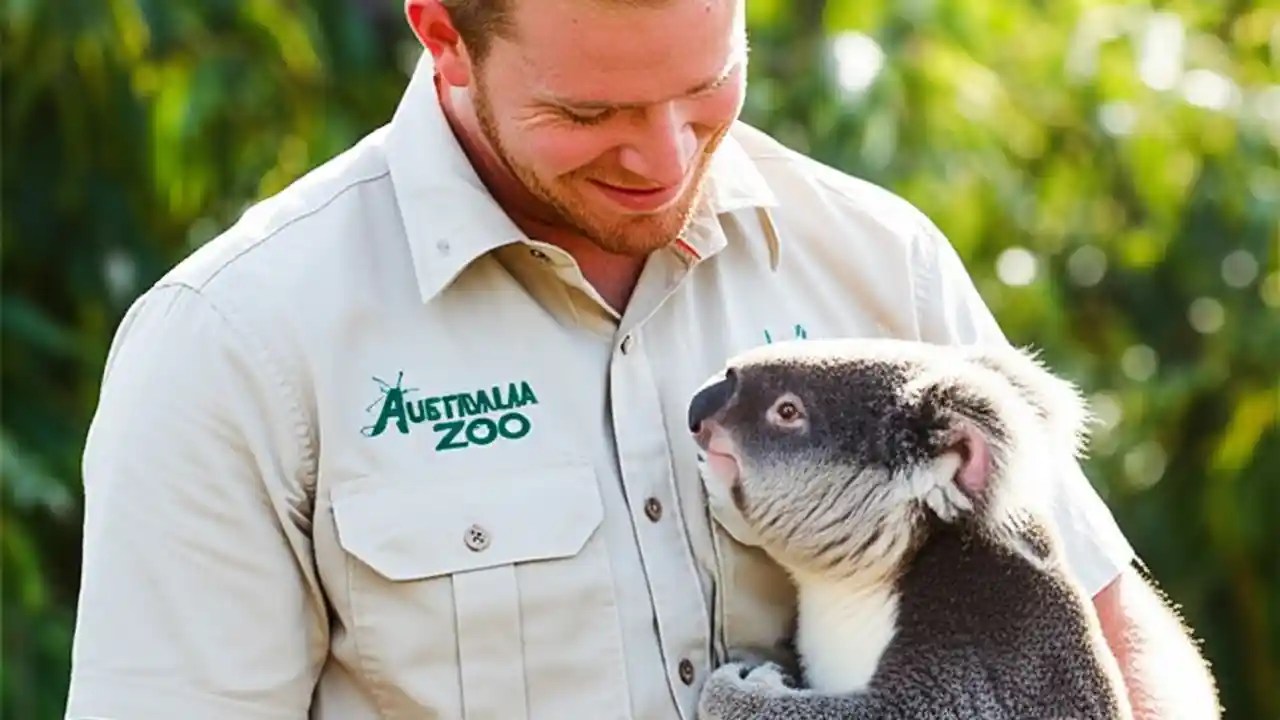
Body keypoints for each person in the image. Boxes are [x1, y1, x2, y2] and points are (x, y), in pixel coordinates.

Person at [65, 0, 1220, 718]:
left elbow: (1100, 626)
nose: (661, 156)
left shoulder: (878, 263)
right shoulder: (235, 343)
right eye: (590, 110)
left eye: (703, 85)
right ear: (440, 32)